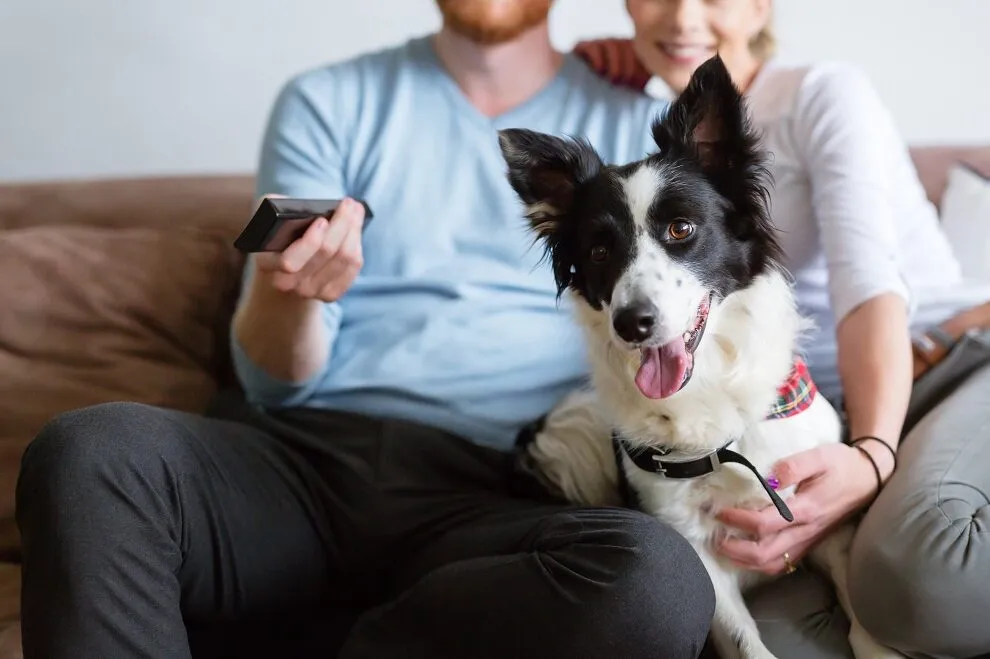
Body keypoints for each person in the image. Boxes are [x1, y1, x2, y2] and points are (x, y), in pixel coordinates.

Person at [14, 2, 720, 658]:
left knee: (657, 581)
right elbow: (271, 375)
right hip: (300, 465)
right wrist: (292, 292)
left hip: (500, 491)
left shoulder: (638, 120)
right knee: (89, 451)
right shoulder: (327, 100)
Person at [573, 1, 990, 658]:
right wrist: (586, 58)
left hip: (945, 356)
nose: (682, 17)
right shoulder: (648, 135)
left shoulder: (822, 93)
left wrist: (872, 453)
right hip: (805, 407)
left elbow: (870, 288)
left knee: (923, 580)